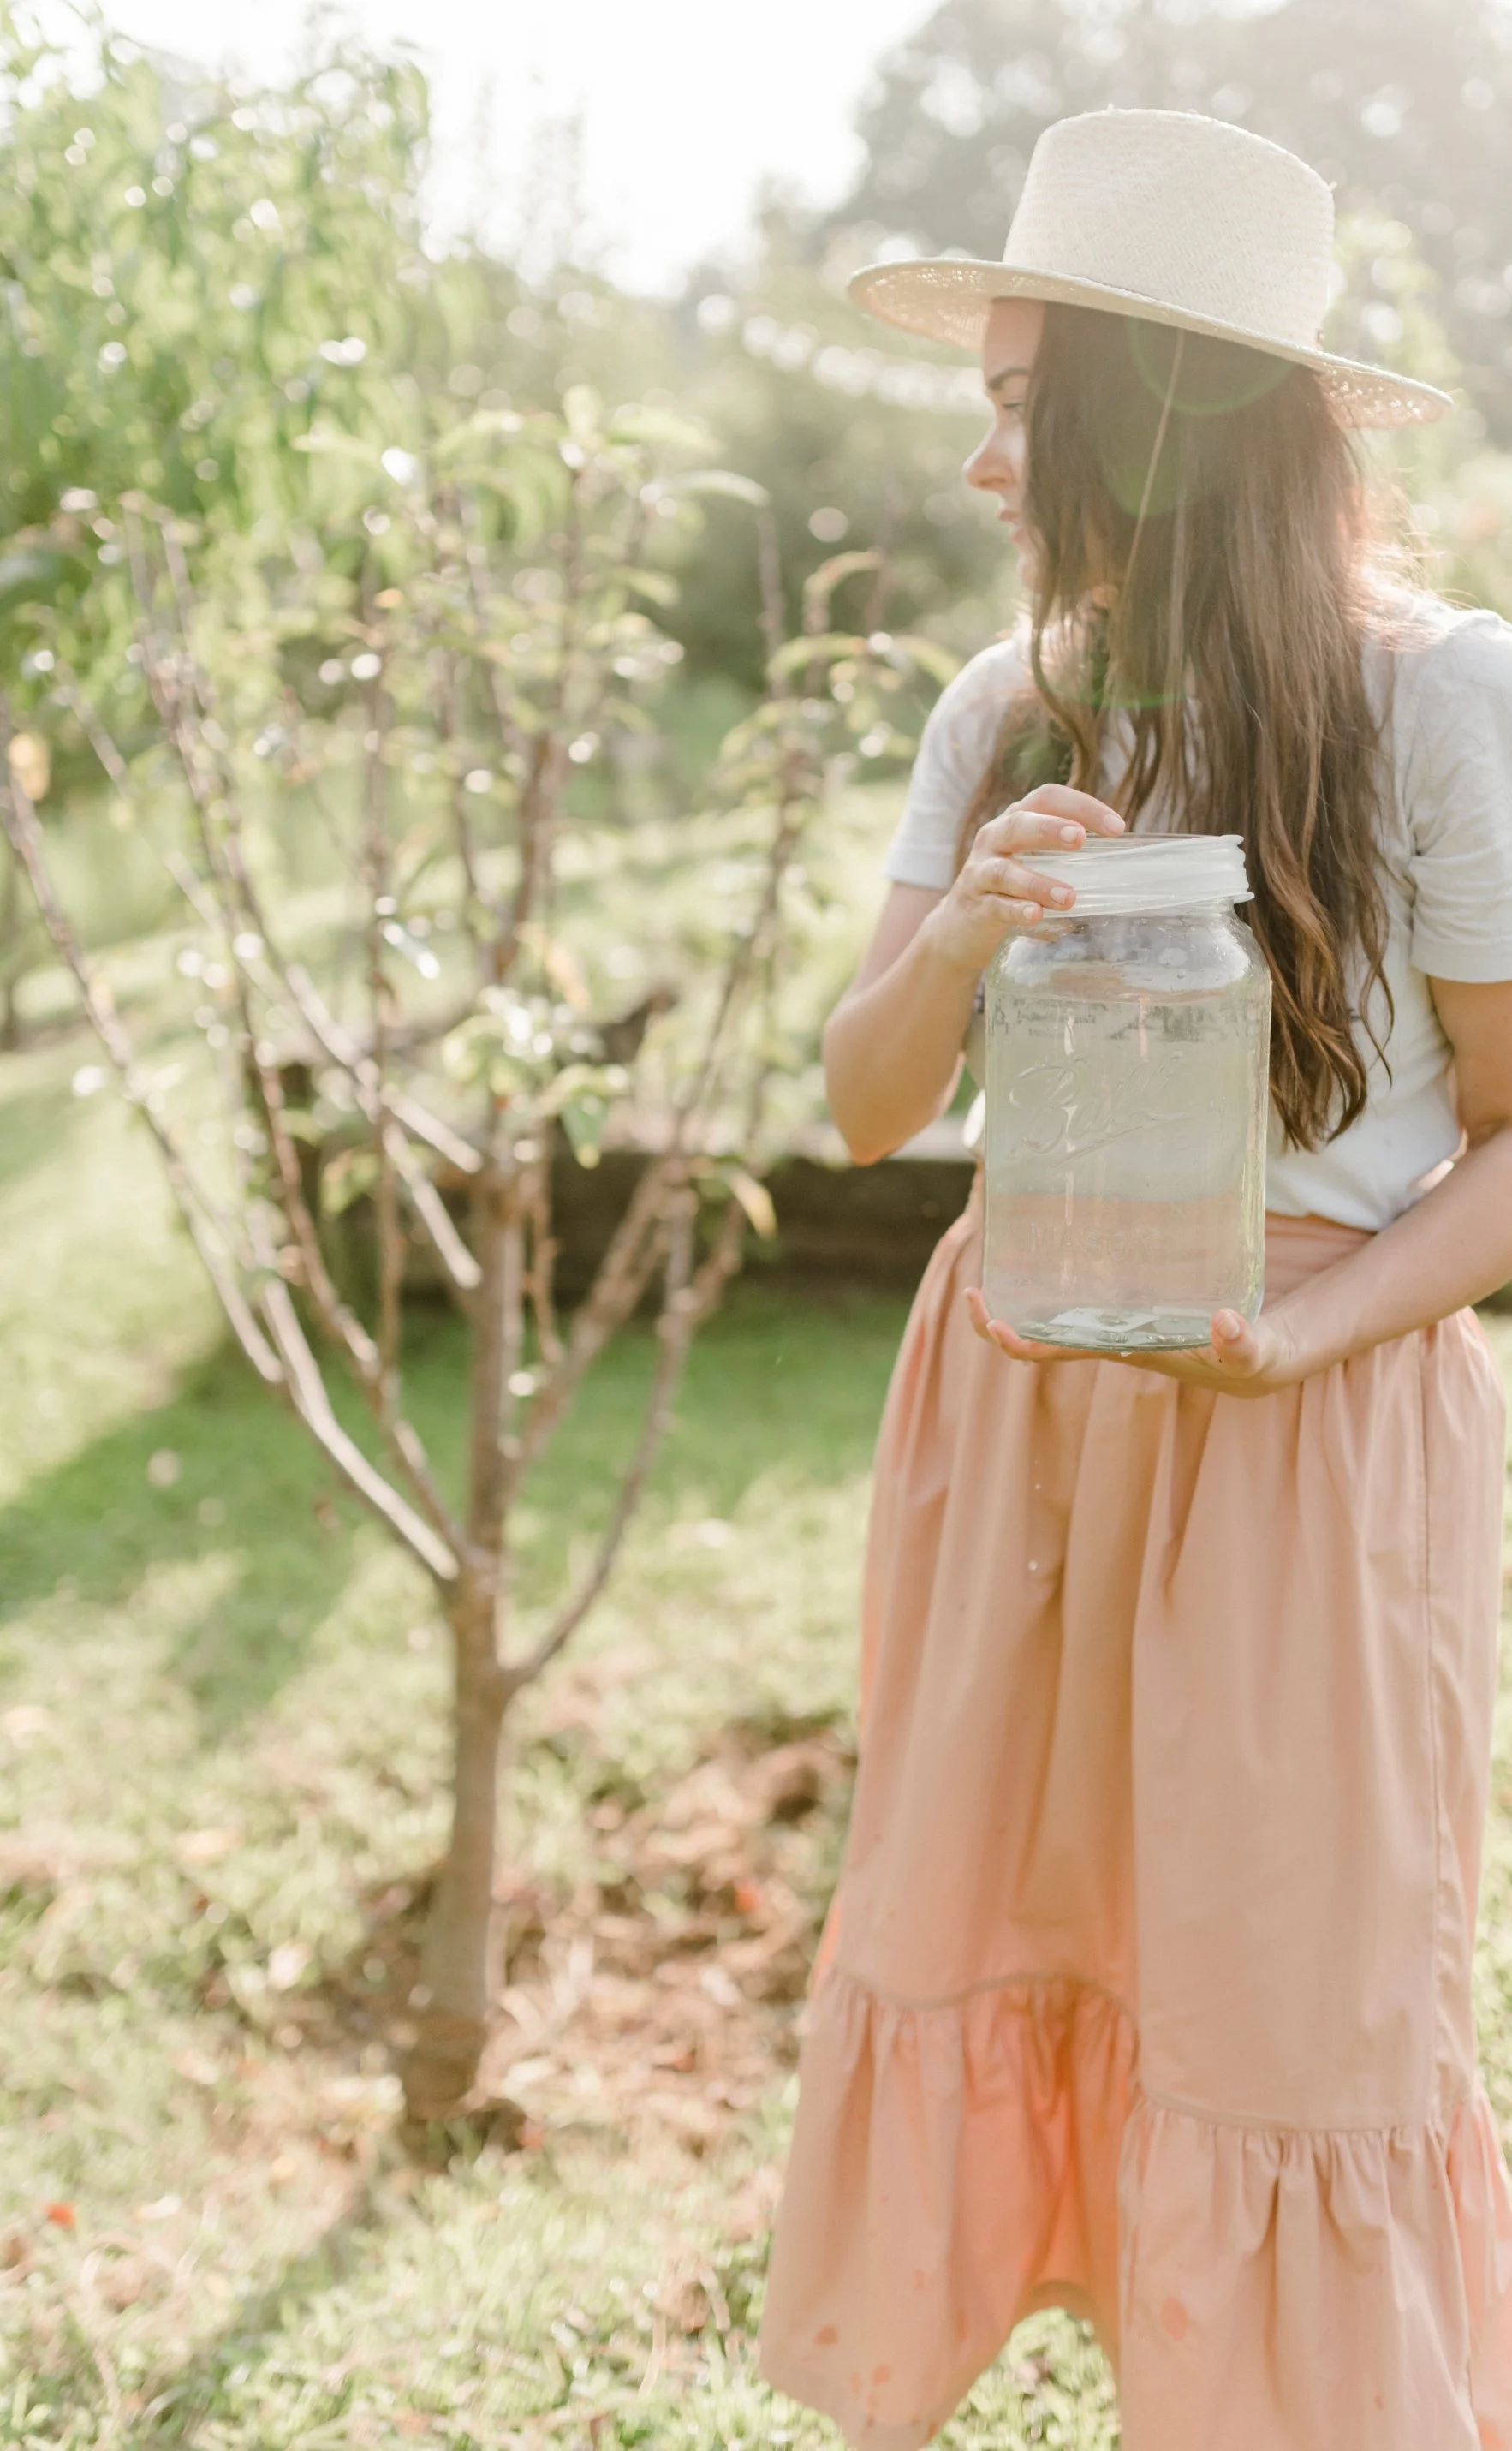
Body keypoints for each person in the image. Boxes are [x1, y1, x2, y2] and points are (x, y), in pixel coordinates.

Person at [756, 107, 1512, 2451]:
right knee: (1016, 1923)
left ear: (1143, 415)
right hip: (1018, 1407)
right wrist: (971, 915)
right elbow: (865, 1104)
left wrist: (1293, 1328)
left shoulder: (1433, 698)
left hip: (1297, 1418)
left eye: (1014, 400)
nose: (986, 466)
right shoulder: (1004, 709)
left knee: (1285, 1993)